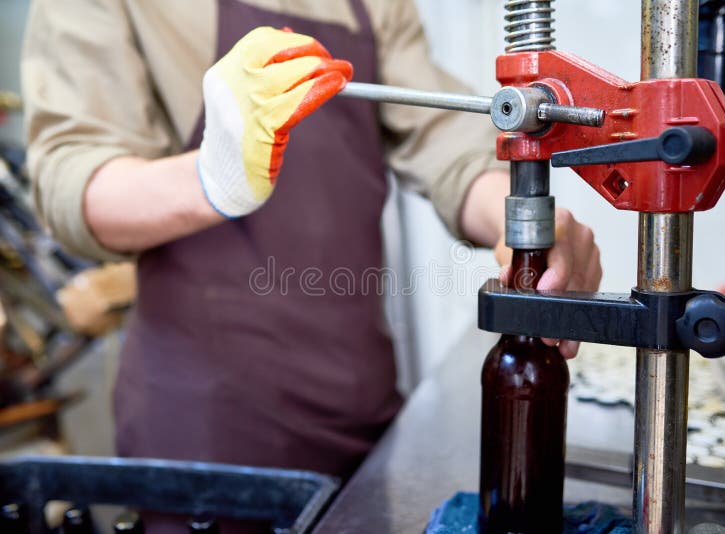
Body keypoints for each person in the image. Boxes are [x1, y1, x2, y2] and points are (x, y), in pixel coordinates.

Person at [23, 0, 601, 530]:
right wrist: (212, 176)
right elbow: (72, 182)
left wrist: (522, 226)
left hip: (363, 412)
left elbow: (443, 140)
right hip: (206, 427)